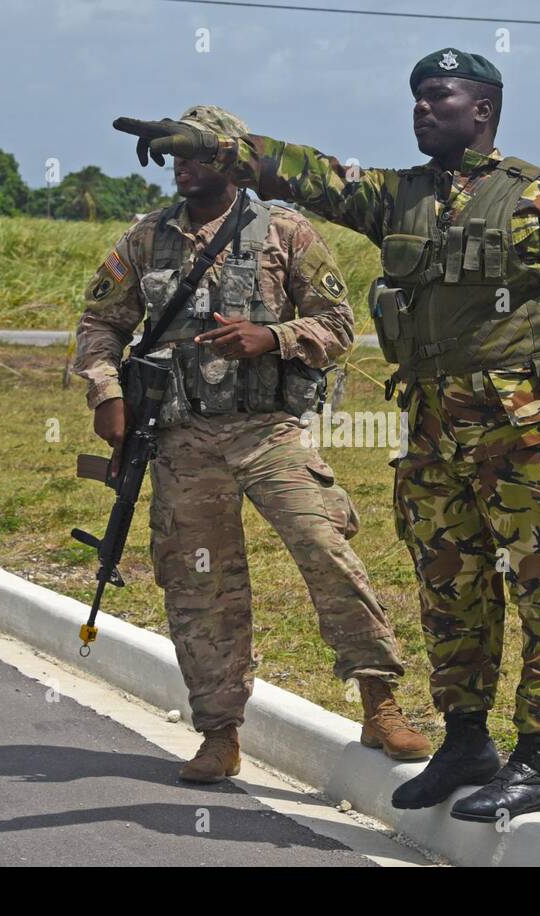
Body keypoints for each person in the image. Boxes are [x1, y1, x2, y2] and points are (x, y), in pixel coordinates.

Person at [113, 51, 540, 821]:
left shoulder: (539, 200)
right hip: (433, 438)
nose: (423, 109)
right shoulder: (400, 198)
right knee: (452, 592)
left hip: (527, 436)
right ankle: (467, 741)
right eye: (417, 98)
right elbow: (309, 175)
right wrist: (212, 145)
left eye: (440, 97)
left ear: (483, 109)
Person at [73, 105, 431, 784]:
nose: (183, 167)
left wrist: (273, 338)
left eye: (196, 155)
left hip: (269, 429)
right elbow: (101, 323)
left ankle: (380, 701)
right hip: (183, 439)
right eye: (175, 156)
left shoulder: (285, 230)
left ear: (229, 159)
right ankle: (219, 732)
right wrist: (106, 393)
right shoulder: (146, 238)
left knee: (325, 548)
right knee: (199, 582)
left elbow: (338, 323)